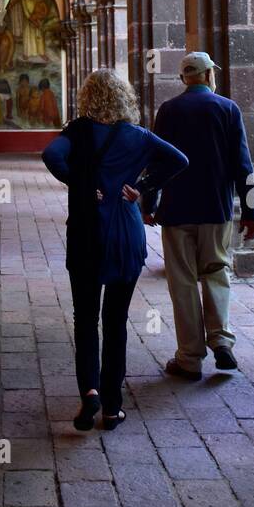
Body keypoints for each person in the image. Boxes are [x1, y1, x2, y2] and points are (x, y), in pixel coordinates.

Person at [42, 69, 188, 431]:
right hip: (125, 234)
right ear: (125, 98)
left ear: (87, 98)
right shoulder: (138, 135)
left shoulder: (76, 132)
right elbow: (178, 160)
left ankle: (90, 392)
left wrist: (81, 183)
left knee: (86, 319)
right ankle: (112, 406)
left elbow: (51, 156)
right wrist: (142, 187)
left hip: (87, 234)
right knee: (116, 320)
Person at [142, 51, 254, 381]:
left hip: (177, 211)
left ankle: (190, 358)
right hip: (216, 210)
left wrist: (148, 204)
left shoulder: (168, 110)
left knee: (182, 282)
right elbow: (243, 166)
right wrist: (250, 212)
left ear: (184, 79)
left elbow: (156, 162)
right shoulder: (227, 109)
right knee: (217, 271)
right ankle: (221, 341)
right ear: (209, 76)